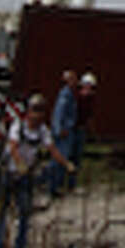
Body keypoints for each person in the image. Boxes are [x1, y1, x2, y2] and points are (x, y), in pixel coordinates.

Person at [0, 93, 73, 248]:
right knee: (1, 210)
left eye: (41, 111)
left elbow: (52, 149)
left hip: (25, 176)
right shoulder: (18, 127)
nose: (37, 115)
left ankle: (20, 246)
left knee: (24, 211)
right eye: (35, 111)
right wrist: (19, 163)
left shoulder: (43, 131)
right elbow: (13, 147)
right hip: (8, 173)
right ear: (28, 112)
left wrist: (66, 164)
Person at [48, 69, 78, 197]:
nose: (75, 82)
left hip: (65, 130)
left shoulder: (69, 94)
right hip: (63, 132)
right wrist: (59, 129)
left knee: (61, 159)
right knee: (59, 159)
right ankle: (53, 186)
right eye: (73, 79)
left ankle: (56, 186)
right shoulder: (65, 95)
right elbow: (59, 113)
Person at [74, 71, 98, 175]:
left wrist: (91, 130)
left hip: (81, 129)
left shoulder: (90, 99)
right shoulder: (75, 98)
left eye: (91, 87)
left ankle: (72, 183)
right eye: (87, 86)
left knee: (77, 156)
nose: (89, 89)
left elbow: (89, 115)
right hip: (72, 129)